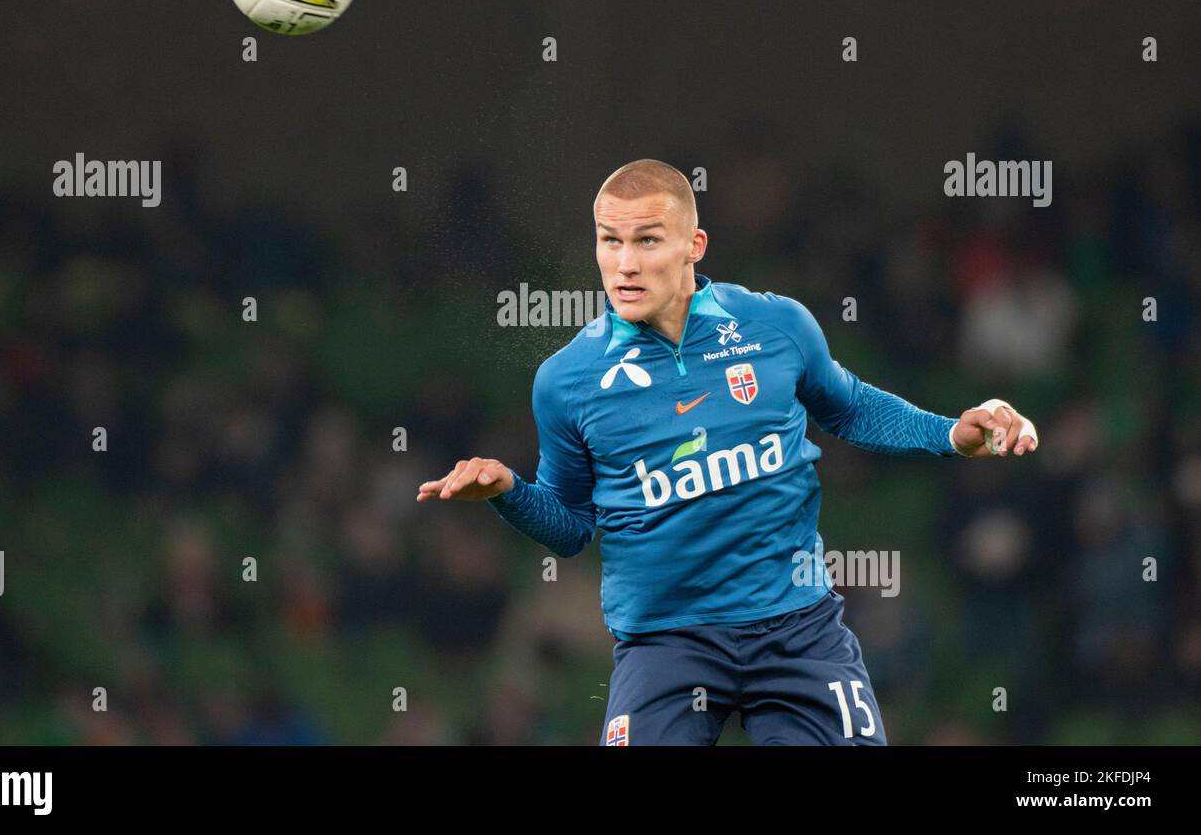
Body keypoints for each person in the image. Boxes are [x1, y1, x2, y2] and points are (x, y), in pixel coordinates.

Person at [417, 159, 1039, 745]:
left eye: (648, 241)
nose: (624, 264)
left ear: (694, 246)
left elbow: (847, 407)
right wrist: (508, 494)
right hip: (665, 643)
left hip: (797, 629)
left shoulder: (777, 327)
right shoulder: (567, 380)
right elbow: (572, 527)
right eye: (610, 241)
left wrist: (947, 434)